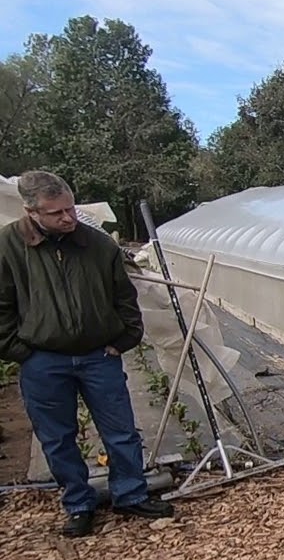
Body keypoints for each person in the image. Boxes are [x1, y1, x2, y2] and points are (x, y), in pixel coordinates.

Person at [0, 170, 174, 537]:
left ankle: (130, 493)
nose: (68, 218)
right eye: (56, 213)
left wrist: (125, 338)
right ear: (31, 212)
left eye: (70, 209)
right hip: (43, 360)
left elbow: (124, 297)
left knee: (121, 430)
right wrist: (21, 351)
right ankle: (79, 503)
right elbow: (2, 306)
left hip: (99, 355)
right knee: (57, 437)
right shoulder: (8, 247)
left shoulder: (97, 245)